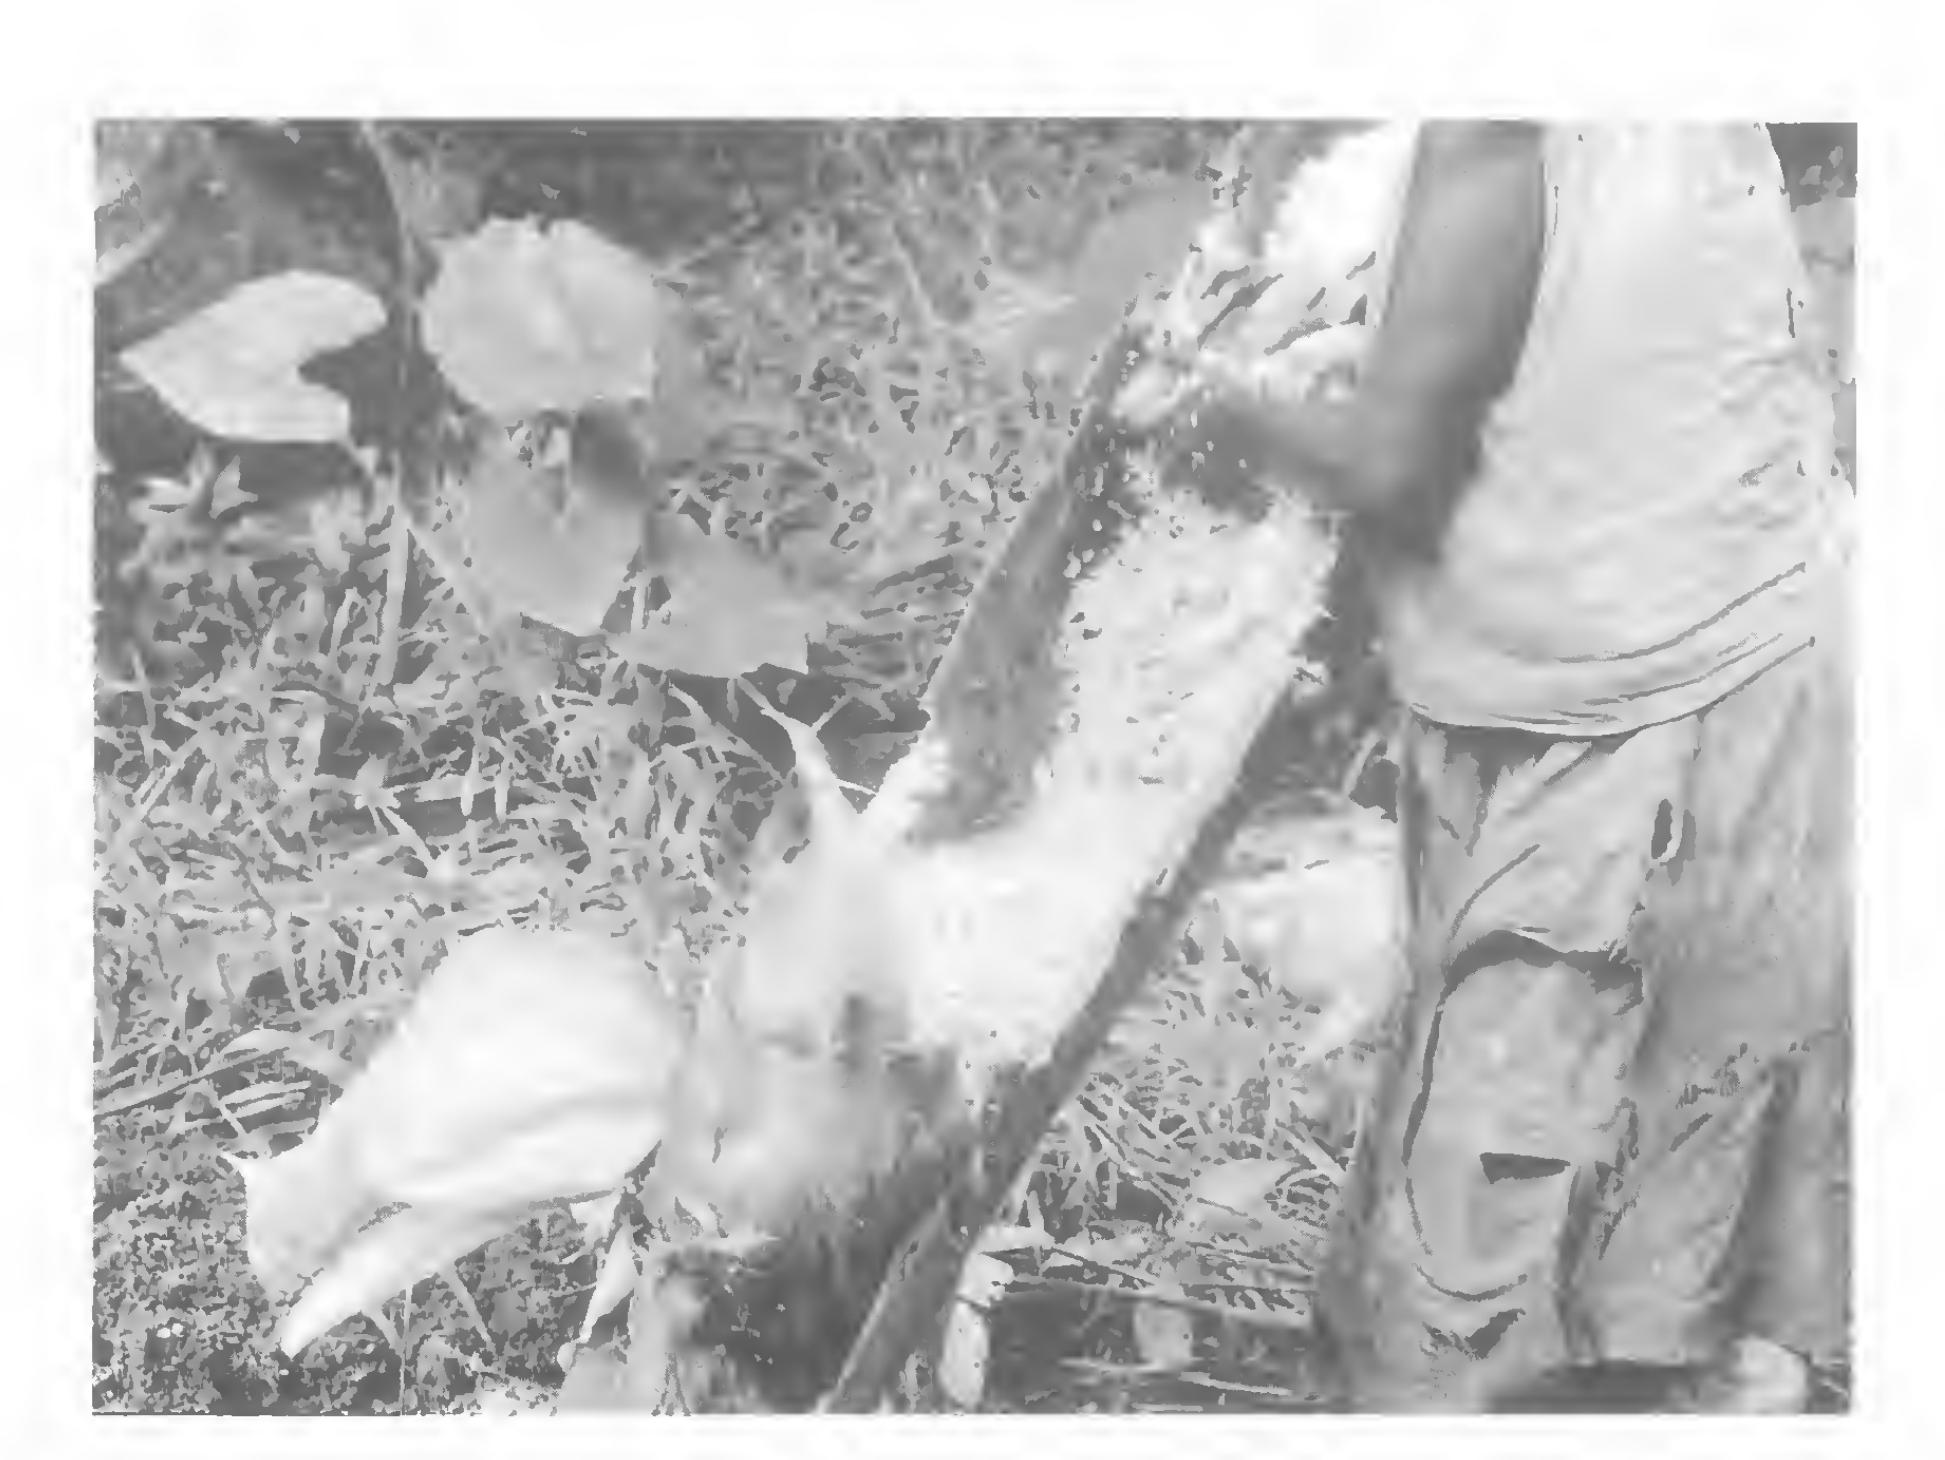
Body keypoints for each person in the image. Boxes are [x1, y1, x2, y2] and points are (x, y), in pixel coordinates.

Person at [1158, 121, 1853, 1412]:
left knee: (1496, 1248)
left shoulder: (1493, 112)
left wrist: (1197, 394)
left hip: (1641, 713)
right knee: (1657, 1216)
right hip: (1739, 631)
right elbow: (1577, 345)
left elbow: (1389, 466)